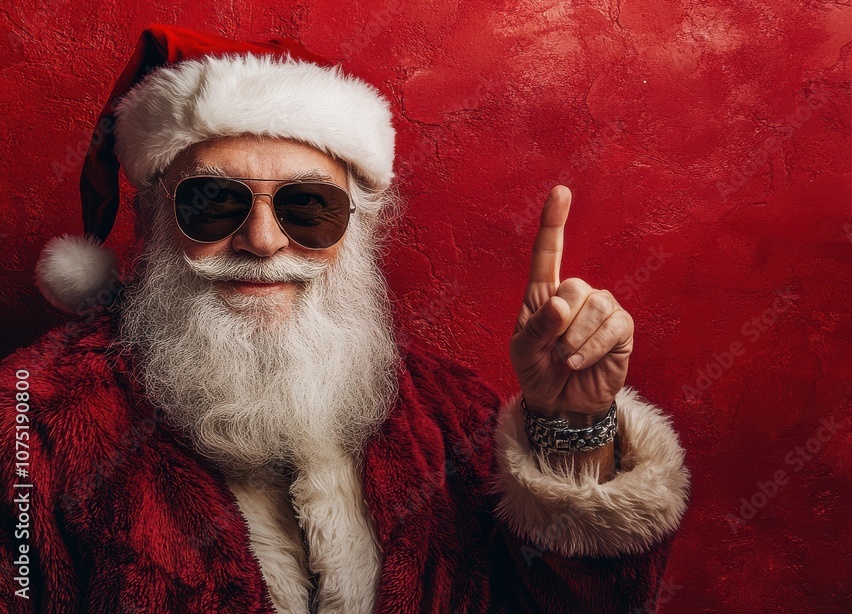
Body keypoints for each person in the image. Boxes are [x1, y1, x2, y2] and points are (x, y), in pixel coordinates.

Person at [0, 24, 689, 613]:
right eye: (213, 203)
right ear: (152, 220)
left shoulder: (449, 416)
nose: (264, 242)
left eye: (307, 208)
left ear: (355, 232)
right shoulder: (30, 421)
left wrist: (574, 431)